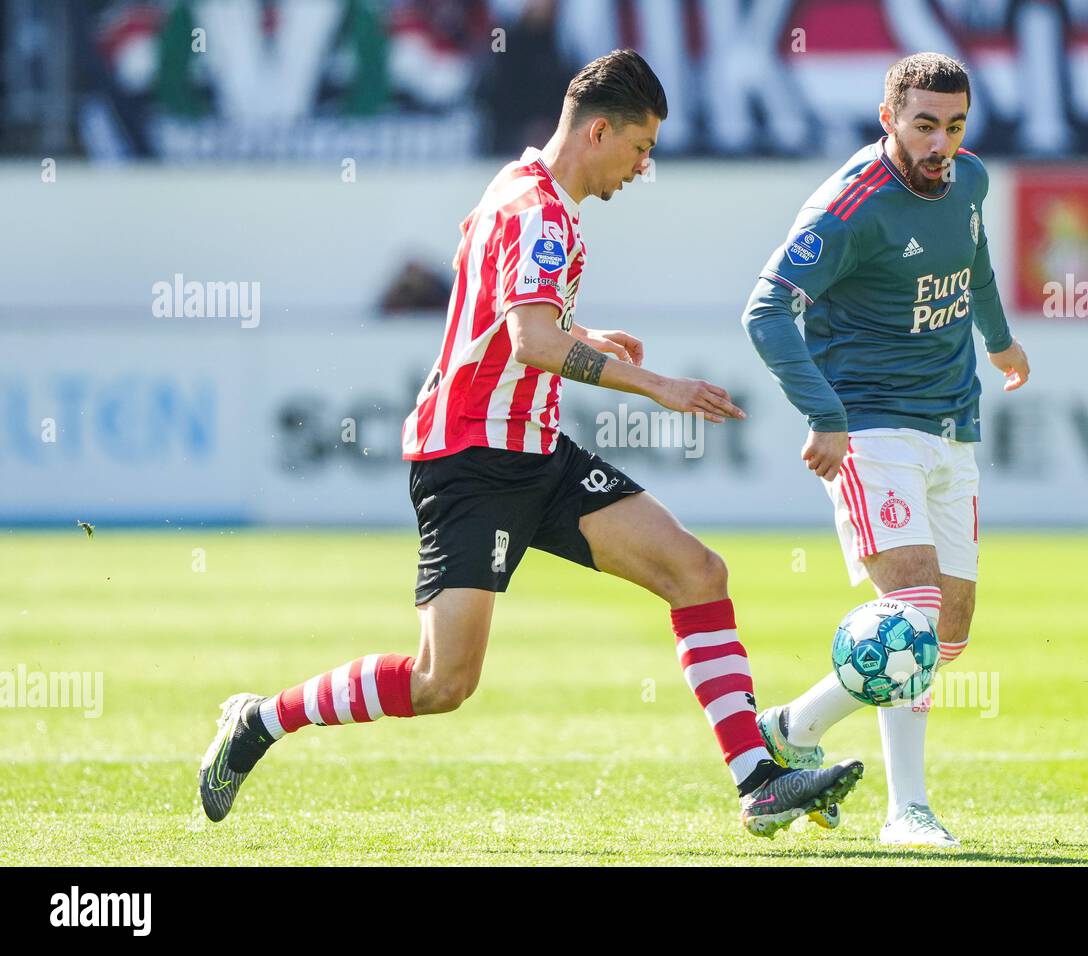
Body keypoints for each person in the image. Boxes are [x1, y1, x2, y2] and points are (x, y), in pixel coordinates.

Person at [199, 48, 862, 837]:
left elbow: (504, 310)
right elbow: (532, 346)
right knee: (441, 682)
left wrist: (581, 331)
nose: (643, 168)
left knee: (696, 571)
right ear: (600, 131)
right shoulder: (543, 213)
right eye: (641, 148)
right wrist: (657, 386)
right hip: (468, 463)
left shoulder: (516, 186)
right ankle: (260, 721)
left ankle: (757, 779)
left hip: (536, 453)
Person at [741, 52, 1031, 846]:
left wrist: (1000, 344)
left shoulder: (969, 179)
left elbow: (973, 263)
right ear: (888, 120)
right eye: (924, 125)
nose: (941, 142)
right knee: (912, 617)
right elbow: (765, 311)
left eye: (955, 126)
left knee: (949, 635)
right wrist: (824, 414)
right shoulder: (850, 206)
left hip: (952, 422)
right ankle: (909, 812)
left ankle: (794, 725)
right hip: (869, 425)